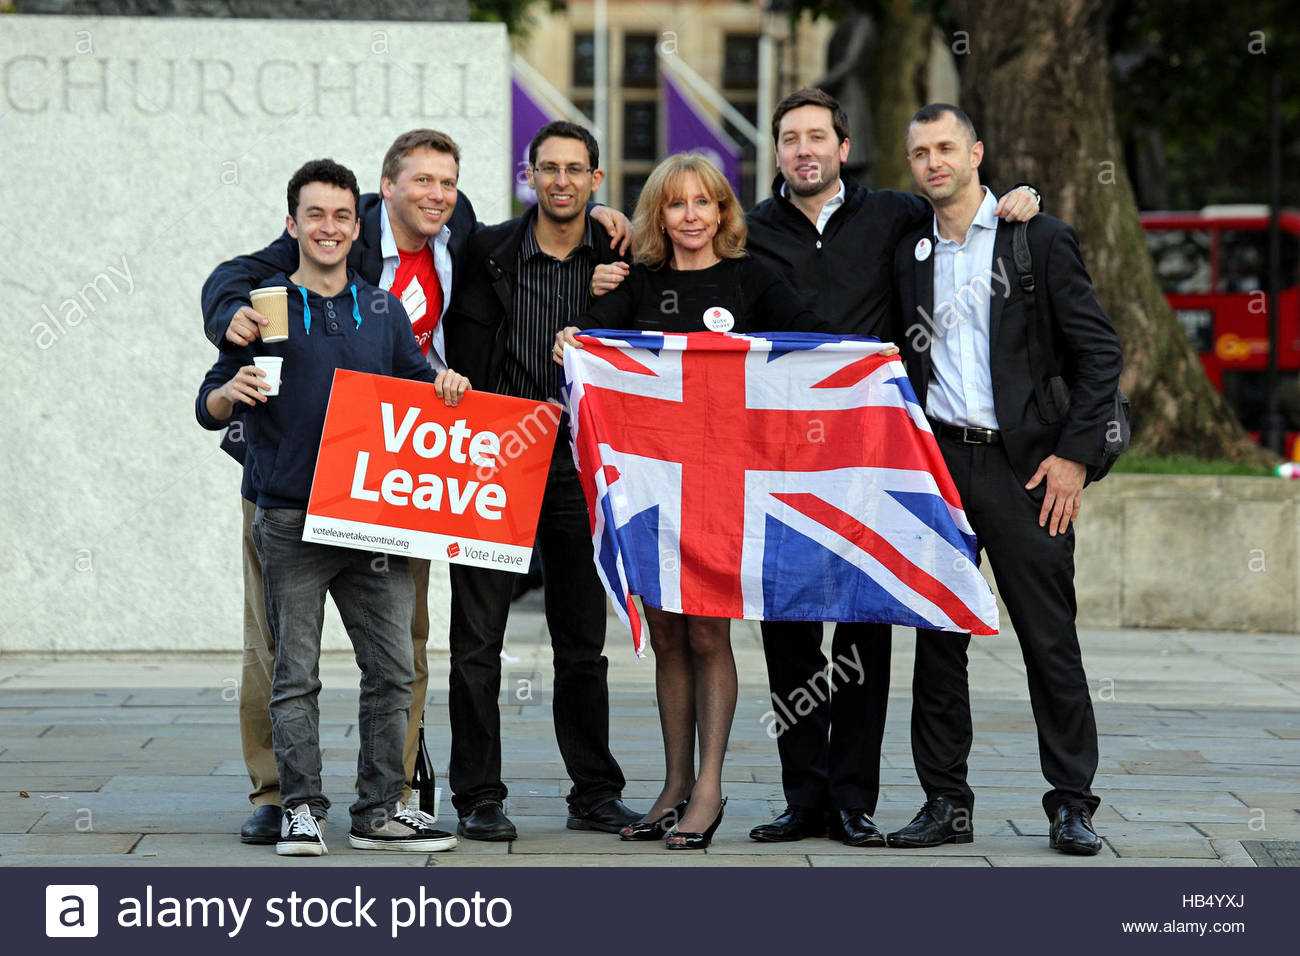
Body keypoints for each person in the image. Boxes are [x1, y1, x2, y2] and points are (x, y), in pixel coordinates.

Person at [198, 129, 630, 841]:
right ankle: (280, 796)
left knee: (403, 643)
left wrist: (610, 222)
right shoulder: (336, 231)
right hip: (295, 479)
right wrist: (229, 322)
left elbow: (558, 222)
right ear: (384, 190)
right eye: (420, 182)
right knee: (277, 651)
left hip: (404, 473)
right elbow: (232, 276)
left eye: (446, 183)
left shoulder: (464, 237)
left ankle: (389, 792)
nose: (435, 196)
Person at [742, 88, 1041, 847]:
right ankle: (801, 795)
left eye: (818, 136)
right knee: (789, 634)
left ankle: (852, 799)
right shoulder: (750, 231)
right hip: (780, 465)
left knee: (865, 634)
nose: (804, 149)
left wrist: (1022, 200)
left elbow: (966, 211)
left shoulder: (895, 217)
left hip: (874, 462)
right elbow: (674, 258)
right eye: (789, 138)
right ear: (776, 152)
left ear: (844, 148)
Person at [196, 159, 471, 856]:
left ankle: (380, 810)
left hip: (370, 520)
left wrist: (445, 383)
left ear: (358, 225)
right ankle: (300, 810)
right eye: (314, 215)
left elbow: (418, 383)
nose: (329, 227)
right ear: (292, 225)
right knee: (295, 672)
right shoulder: (265, 305)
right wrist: (233, 394)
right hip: (288, 517)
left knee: (393, 669)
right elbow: (208, 400)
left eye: (341, 216)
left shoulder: (381, 310)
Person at [555, 152, 827, 849]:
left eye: (704, 203)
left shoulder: (755, 276)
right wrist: (571, 341)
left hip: (726, 482)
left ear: (723, 212)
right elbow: (593, 344)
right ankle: (674, 785)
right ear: (660, 215)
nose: (691, 217)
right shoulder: (637, 281)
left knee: (709, 632)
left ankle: (709, 786)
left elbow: (812, 351)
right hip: (656, 487)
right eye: (676, 205)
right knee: (668, 634)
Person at [888, 104, 1122, 855]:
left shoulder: (1037, 239)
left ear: (976, 152)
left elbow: (1099, 356)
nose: (933, 162)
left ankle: (1072, 803)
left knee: (1048, 639)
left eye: (946, 147)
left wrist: (1075, 458)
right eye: (920, 151)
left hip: (1027, 470)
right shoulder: (908, 247)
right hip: (939, 467)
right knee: (937, 641)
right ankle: (945, 805)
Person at [438, 121, 638, 841]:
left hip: (579, 462)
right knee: (476, 642)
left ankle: (593, 793)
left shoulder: (621, 255)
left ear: (596, 179)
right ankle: (478, 796)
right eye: (548, 167)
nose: (560, 180)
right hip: (492, 457)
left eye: (574, 169)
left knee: (582, 639)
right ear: (529, 175)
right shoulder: (482, 248)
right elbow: (390, 230)